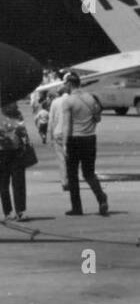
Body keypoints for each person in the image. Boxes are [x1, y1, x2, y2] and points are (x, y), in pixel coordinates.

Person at [60, 71, 108, 216]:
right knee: (89, 173)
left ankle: (77, 208)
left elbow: (66, 125)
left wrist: (63, 143)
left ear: (69, 84)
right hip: (90, 138)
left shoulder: (68, 101)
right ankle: (101, 197)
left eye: (65, 84)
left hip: (74, 139)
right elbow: (98, 119)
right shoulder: (90, 98)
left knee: (72, 174)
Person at [48, 81, 72, 192]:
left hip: (58, 132)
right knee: (71, 158)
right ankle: (72, 180)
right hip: (71, 132)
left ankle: (65, 182)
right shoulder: (72, 100)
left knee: (61, 159)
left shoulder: (55, 102)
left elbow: (51, 120)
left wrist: (50, 136)